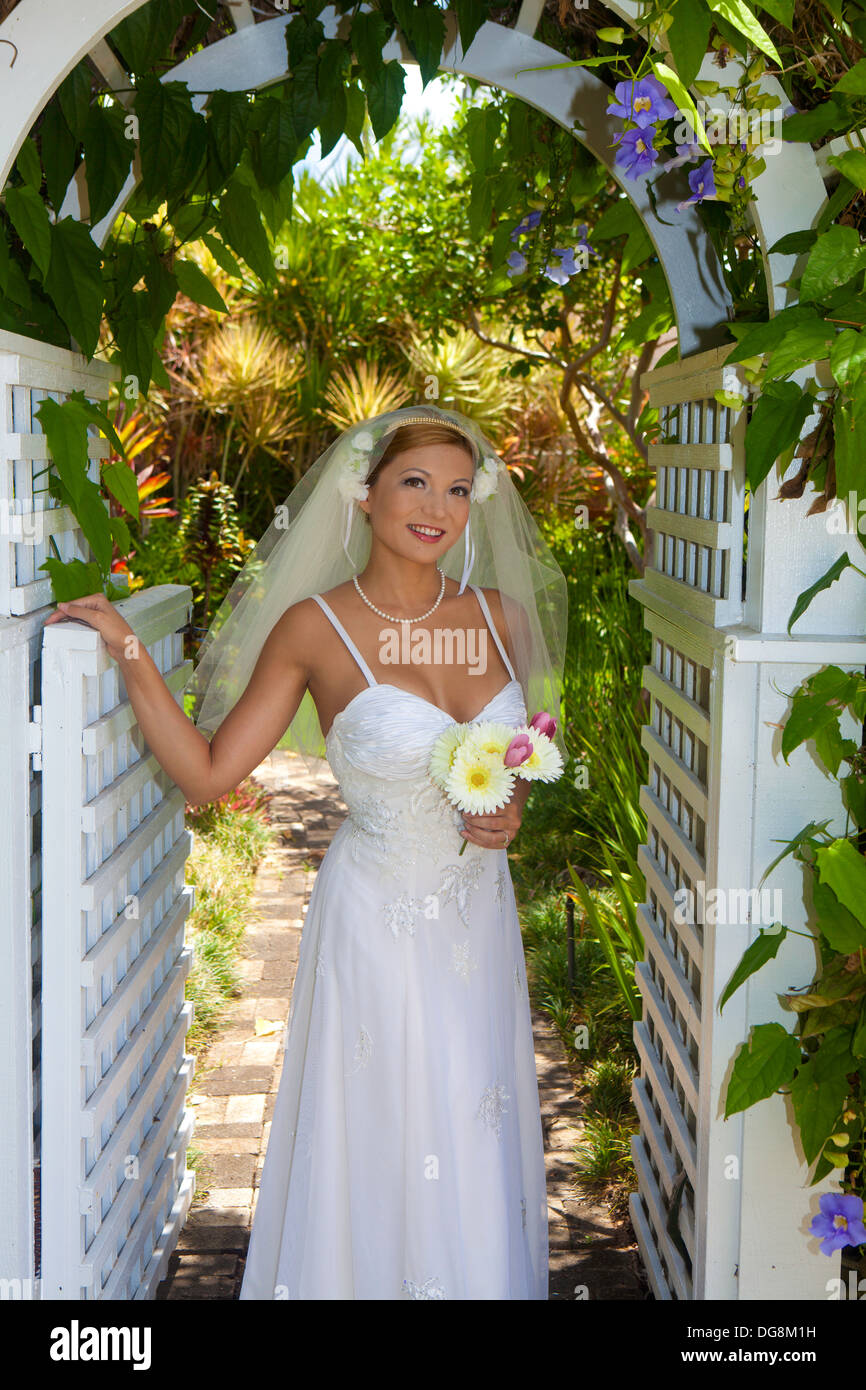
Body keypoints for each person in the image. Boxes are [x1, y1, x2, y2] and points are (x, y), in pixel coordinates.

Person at [44, 404, 568, 1300]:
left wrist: (509, 805)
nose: (436, 507)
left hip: (478, 921)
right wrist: (129, 650)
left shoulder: (502, 618)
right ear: (364, 493)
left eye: (457, 490)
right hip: (374, 917)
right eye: (414, 483)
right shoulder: (314, 627)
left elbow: (526, 747)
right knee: (383, 1117)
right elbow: (208, 776)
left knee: (471, 1108)